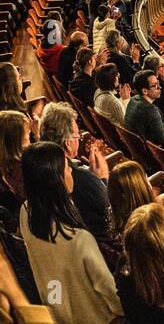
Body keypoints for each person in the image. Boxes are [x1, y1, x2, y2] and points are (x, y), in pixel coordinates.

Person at [18, 141, 123, 324]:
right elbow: (111, 294)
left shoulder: (25, 213)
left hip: (60, 318)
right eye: (67, 168)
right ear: (57, 179)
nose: (71, 172)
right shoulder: (77, 239)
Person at [38, 102, 111, 243]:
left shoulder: (40, 169)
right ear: (68, 142)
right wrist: (103, 179)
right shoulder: (82, 179)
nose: (79, 139)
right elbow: (110, 213)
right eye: (78, 136)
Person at [126, 69, 164, 150]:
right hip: (155, 151)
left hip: (140, 146)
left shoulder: (134, 99)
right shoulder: (150, 109)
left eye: (158, 83)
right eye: (155, 85)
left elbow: (152, 127)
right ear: (145, 91)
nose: (159, 87)